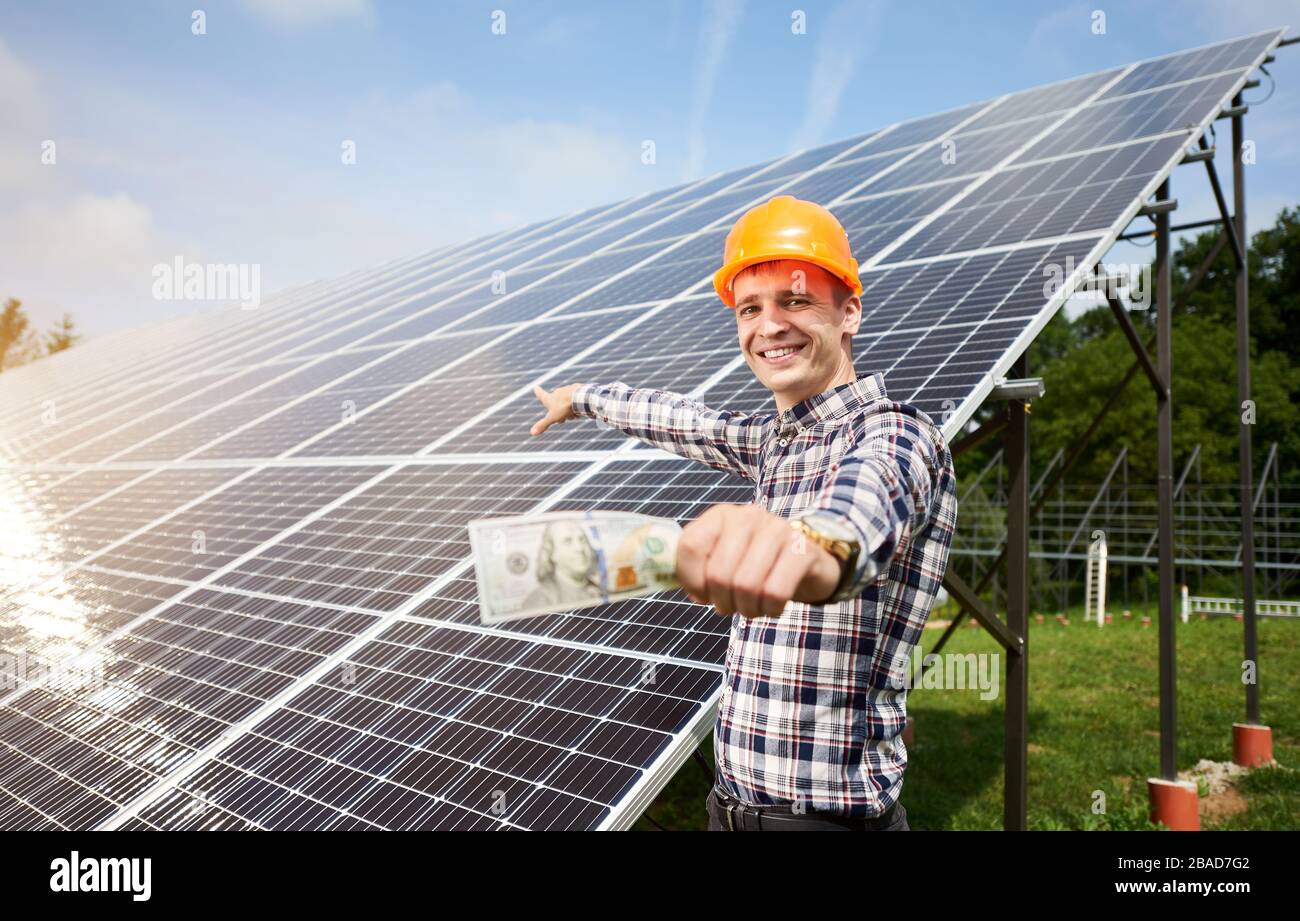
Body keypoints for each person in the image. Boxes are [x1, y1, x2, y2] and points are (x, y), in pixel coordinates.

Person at [530, 195, 957, 831]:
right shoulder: (772, 443)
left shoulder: (896, 437)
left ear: (851, 312)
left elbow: (848, 531)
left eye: (796, 301)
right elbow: (684, 419)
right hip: (727, 813)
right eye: (750, 309)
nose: (769, 326)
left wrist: (791, 554)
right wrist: (580, 398)